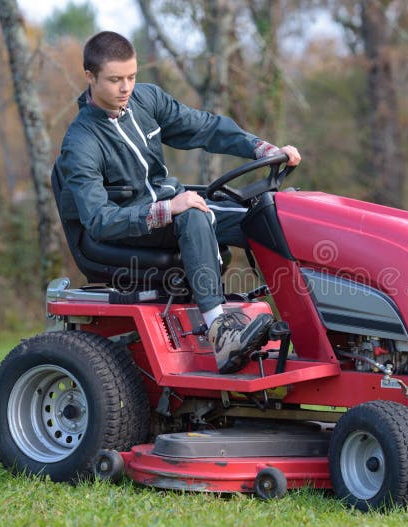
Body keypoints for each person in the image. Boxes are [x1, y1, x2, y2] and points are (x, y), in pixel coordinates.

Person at [58, 31, 300, 374]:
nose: (126, 88)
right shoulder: (81, 142)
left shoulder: (146, 101)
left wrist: (262, 149)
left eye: (131, 77)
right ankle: (220, 332)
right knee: (193, 214)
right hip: (127, 228)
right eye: (114, 80)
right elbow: (99, 219)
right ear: (90, 77)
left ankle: (306, 324)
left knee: (269, 213)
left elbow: (205, 128)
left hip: (172, 209)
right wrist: (169, 209)